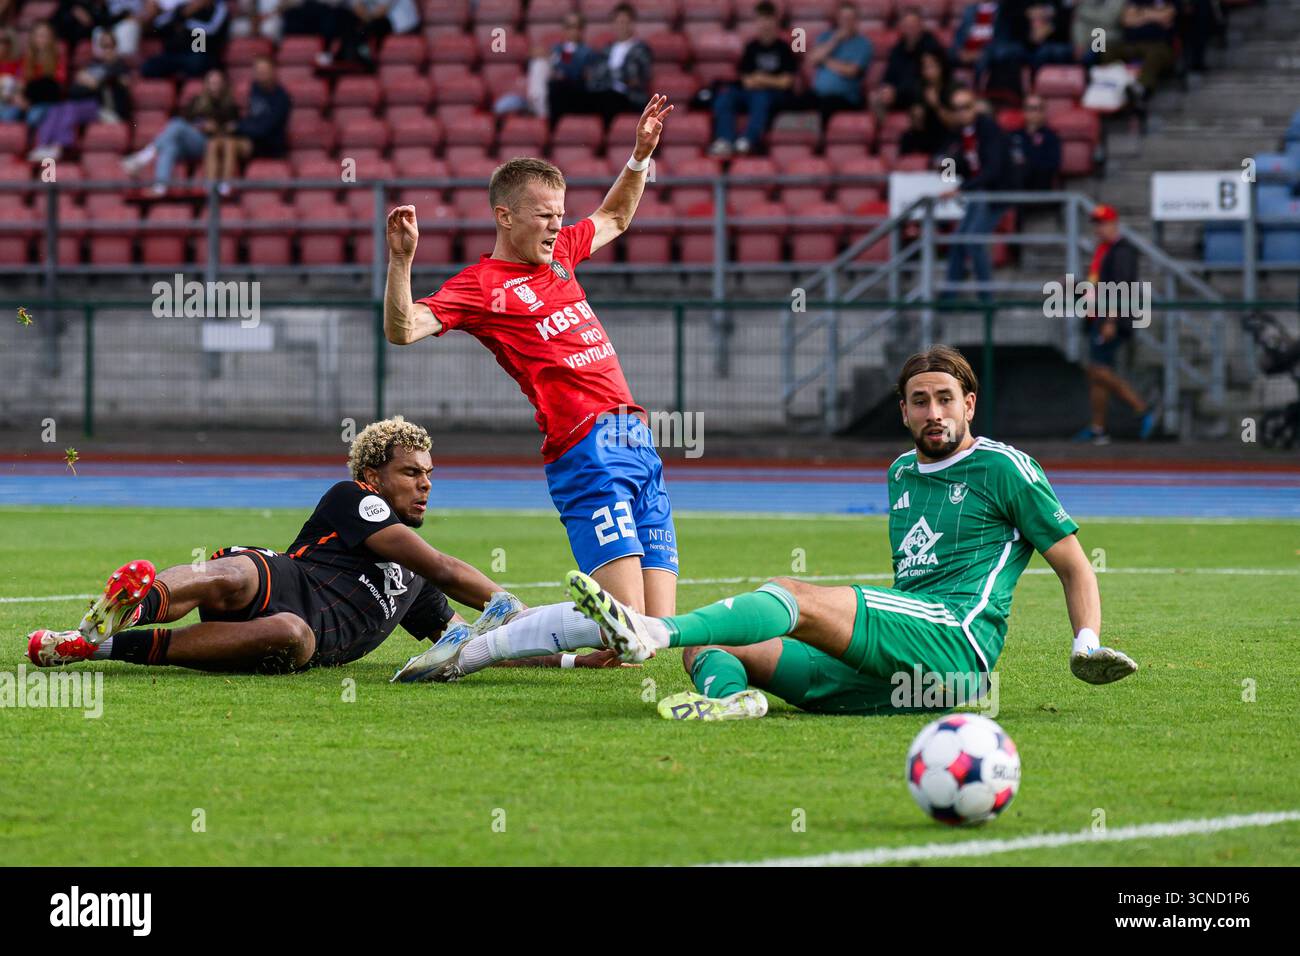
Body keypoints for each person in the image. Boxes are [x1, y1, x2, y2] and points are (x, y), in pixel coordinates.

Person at [555, 346, 1139, 720]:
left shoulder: (1005, 467)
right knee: (714, 645)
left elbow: (1074, 565)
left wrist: (1085, 644)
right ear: (904, 413)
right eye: (920, 401)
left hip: (958, 642)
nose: (934, 412)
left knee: (791, 593)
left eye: (945, 399)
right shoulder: (901, 472)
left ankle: (650, 630)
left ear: (969, 405)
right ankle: (729, 702)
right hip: (903, 666)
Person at [382, 96, 680, 621]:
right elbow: (403, 330)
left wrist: (639, 157)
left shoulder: (562, 252)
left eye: (560, 215)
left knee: (654, 631)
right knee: (629, 628)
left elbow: (613, 216)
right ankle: (497, 636)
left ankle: (525, 633)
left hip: (634, 439)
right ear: (505, 215)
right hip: (586, 447)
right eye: (544, 215)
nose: (554, 226)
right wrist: (402, 260)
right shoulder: (480, 287)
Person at [28, 417, 625, 674]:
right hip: (285, 580)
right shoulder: (353, 499)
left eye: (430, 474)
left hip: (302, 636)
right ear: (375, 478)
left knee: (292, 636)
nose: (425, 484)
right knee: (234, 573)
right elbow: (440, 564)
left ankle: (95, 648)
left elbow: (479, 646)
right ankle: (131, 605)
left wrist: (573, 657)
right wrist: (509, 599)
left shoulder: (414, 589)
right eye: (412, 473)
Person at [1073, 204, 1157, 444]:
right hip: (1098, 317)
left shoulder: (1122, 251)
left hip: (1109, 319)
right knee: (1097, 374)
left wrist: (1110, 319)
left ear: (1114, 224)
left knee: (1097, 370)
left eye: (1103, 223)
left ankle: (1141, 408)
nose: (1099, 228)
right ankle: (1098, 429)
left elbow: (1120, 288)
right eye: (1096, 224)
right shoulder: (1105, 250)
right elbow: (1099, 286)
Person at [938, 85, 1016, 301]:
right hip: (977, 193)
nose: (962, 112)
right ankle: (949, 295)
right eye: (957, 108)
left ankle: (986, 296)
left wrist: (960, 188)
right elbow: (948, 160)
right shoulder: (957, 134)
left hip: (994, 193)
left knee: (972, 239)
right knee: (958, 240)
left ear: (975, 107)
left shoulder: (989, 129)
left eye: (966, 107)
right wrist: (946, 169)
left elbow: (993, 170)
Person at [121, 67, 237, 195]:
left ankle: (145, 156)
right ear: (206, 84)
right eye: (211, 83)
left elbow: (232, 128)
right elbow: (186, 118)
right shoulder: (197, 101)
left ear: (223, 85)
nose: (214, 87)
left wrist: (214, 127)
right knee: (169, 146)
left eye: (217, 83)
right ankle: (160, 187)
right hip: (189, 140)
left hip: (209, 144)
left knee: (177, 124)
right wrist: (198, 125)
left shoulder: (228, 105)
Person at [27, 28, 131, 162]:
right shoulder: (94, 65)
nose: (107, 50)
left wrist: (94, 81)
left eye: (110, 46)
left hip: (106, 110)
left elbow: (118, 83)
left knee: (71, 109)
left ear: (116, 47)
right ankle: (42, 145)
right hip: (89, 104)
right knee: (56, 108)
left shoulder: (120, 65)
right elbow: (76, 89)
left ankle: (58, 147)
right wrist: (89, 81)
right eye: (103, 46)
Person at [709, 1, 796, 157]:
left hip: (772, 94)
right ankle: (725, 140)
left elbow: (786, 82)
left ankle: (747, 140)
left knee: (761, 98)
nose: (765, 24)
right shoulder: (751, 47)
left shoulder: (783, 48)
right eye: (761, 20)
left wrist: (762, 79)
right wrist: (762, 80)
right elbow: (746, 79)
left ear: (775, 21)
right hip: (749, 91)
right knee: (726, 96)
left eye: (768, 19)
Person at [210, 54, 290, 195]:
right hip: (252, 138)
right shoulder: (255, 89)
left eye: (264, 71)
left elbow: (267, 127)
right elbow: (252, 117)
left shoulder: (281, 98)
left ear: (273, 71)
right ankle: (209, 185)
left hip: (270, 144)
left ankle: (226, 186)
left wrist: (239, 128)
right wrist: (236, 126)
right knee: (216, 143)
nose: (260, 74)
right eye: (258, 71)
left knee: (231, 144)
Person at [1101, 0, 1179, 108]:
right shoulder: (1133, 2)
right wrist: (1155, 15)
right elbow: (1126, 20)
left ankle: (1139, 89)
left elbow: (1167, 16)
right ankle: (1113, 85)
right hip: (1132, 44)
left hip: (1159, 45)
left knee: (1154, 55)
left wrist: (1140, 15)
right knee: (1107, 50)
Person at [583, 2, 651, 123]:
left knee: (609, 98)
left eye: (624, 22)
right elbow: (596, 75)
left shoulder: (641, 49)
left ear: (632, 24)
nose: (621, 26)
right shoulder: (607, 49)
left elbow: (637, 79)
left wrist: (611, 76)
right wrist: (616, 77)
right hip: (604, 92)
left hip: (629, 96)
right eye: (618, 22)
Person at [872, 7, 946, 116]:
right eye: (906, 25)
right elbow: (888, 76)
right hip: (898, 95)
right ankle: (881, 130)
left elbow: (927, 79)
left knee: (921, 103)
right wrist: (886, 89)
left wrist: (897, 92)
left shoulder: (931, 46)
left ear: (921, 25)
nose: (910, 28)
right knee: (875, 98)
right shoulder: (897, 49)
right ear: (902, 27)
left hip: (921, 94)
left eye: (913, 24)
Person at [806, 1, 873, 116]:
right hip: (817, 94)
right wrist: (834, 40)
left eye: (850, 19)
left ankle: (820, 134)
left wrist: (825, 60)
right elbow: (812, 60)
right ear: (838, 20)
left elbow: (851, 71)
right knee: (792, 102)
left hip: (846, 98)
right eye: (843, 18)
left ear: (856, 21)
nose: (846, 22)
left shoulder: (864, 44)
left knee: (826, 105)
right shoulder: (825, 37)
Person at [140, 0, 229, 79]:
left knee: (197, 63)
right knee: (148, 67)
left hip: (201, 52)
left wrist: (186, 24)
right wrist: (183, 13)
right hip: (174, 53)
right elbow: (160, 24)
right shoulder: (182, 7)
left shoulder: (220, 8)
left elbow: (212, 30)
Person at [543, 10, 597, 122]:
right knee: (539, 65)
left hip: (575, 91)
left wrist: (560, 68)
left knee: (557, 86)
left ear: (581, 30)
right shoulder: (557, 48)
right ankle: (542, 112)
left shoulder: (587, 51)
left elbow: (573, 70)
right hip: (555, 88)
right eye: (569, 27)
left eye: (576, 27)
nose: (572, 31)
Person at [1009, 94, 1061, 190]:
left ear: (1044, 112)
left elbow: (1053, 164)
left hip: (1040, 189)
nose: (1035, 112)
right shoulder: (1013, 135)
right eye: (1031, 108)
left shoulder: (1051, 137)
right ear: (1023, 111)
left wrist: (1027, 161)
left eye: (1039, 108)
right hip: (1015, 188)